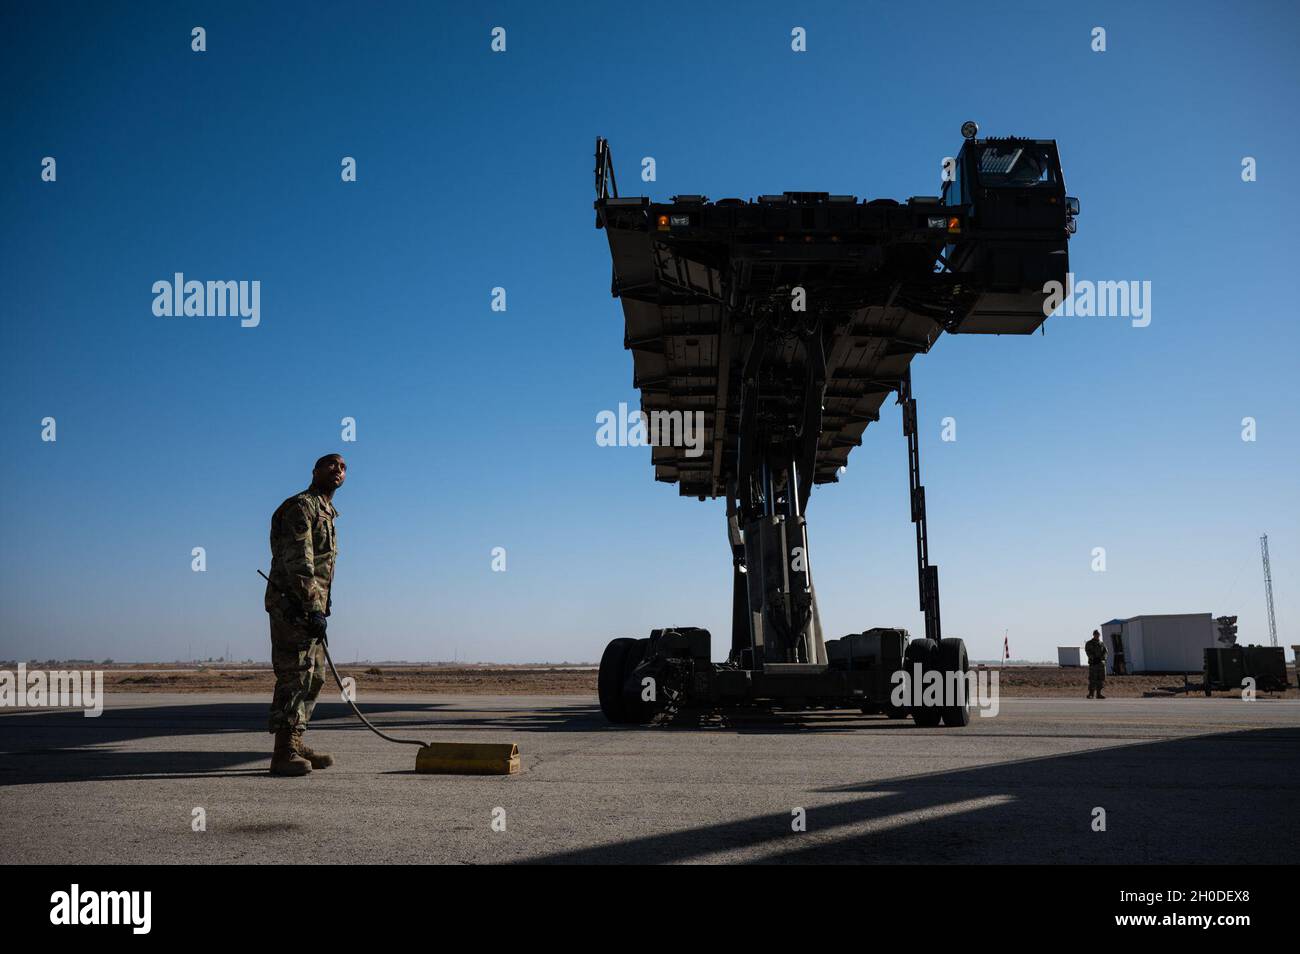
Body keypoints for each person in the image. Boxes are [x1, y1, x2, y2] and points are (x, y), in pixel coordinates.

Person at [264, 454, 345, 776]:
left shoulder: (328, 512)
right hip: (293, 604)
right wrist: (312, 605)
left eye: (343, 467)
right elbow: (299, 562)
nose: (337, 470)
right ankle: (282, 752)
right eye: (331, 464)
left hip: (311, 606)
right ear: (314, 471)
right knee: (294, 675)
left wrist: (320, 607)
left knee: (315, 676)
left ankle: (295, 742)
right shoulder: (302, 506)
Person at [1085, 629, 1107, 699]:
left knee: (1101, 679)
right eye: (1096, 634)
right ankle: (1091, 693)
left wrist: (1103, 658)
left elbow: (1106, 652)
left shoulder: (1102, 643)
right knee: (1092, 679)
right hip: (1093, 663)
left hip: (1100, 664)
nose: (1097, 636)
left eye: (1098, 634)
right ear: (1093, 635)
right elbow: (1087, 651)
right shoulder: (1089, 643)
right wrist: (1093, 658)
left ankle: (1099, 693)